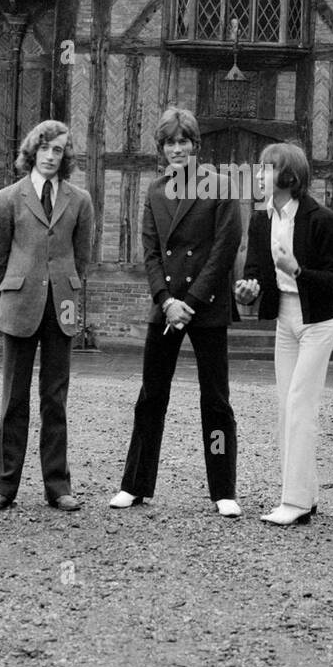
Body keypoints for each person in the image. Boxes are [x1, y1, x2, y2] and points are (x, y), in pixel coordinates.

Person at [110, 107, 242, 516]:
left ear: (196, 145)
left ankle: (224, 490)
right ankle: (135, 485)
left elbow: (223, 251)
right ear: (162, 148)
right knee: (151, 396)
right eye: (170, 143)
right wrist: (166, 302)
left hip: (207, 306)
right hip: (167, 308)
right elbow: (149, 252)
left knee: (216, 400)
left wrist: (191, 302)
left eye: (184, 141)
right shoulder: (153, 191)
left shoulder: (220, 187)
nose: (178, 149)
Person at [0, 120, 94, 513]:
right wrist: (13, 291)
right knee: (14, 397)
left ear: (66, 157)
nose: (50, 156)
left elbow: (82, 259)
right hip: (19, 306)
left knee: (55, 398)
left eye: (58, 150)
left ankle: (58, 486)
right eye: (44, 148)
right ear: (32, 150)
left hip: (62, 307)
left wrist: (66, 290)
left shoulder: (79, 200)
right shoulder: (8, 198)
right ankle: (3, 486)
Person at [235, 143, 333, 526]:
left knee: (301, 405)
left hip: (318, 322)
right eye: (261, 168)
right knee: (287, 408)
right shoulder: (260, 220)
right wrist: (247, 289)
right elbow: (254, 269)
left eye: (268, 169)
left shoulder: (321, 220)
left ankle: (294, 503)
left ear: (289, 177)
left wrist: (298, 270)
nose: (261, 175)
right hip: (285, 318)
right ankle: (307, 494)